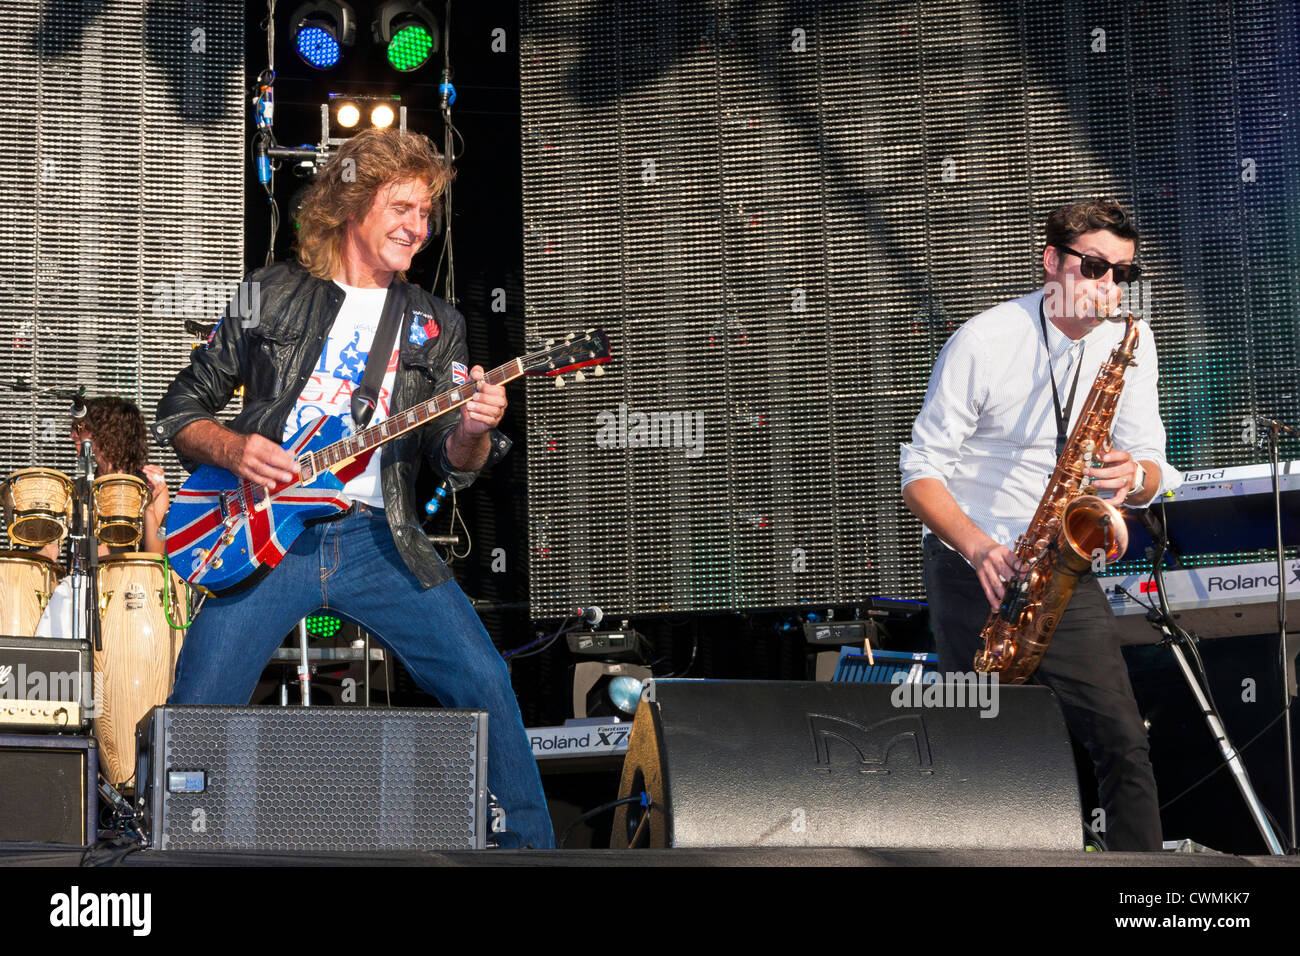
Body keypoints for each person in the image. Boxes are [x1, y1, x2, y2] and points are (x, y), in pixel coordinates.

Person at [153, 128, 554, 848]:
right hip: (265, 532)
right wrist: (237, 448)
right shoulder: (269, 294)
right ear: (352, 206)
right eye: (402, 207)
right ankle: (175, 853)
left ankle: (533, 854)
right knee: (199, 703)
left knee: (484, 682)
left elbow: (451, 459)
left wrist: (474, 427)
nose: (418, 227)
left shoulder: (437, 324)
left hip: (379, 537)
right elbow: (180, 409)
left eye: (427, 213)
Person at [899, 198, 1181, 851]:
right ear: (1052, 261)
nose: (1107, 285)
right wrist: (977, 548)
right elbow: (919, 471)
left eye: (1121, 274)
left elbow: (1157, 470)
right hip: (978, 563)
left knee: (1122, 740)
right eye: (1094, 266)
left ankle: (1140, 898)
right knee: (983, 750)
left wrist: (1130, 477)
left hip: (1060, 561)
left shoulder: (1128, 341)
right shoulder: (984, 340)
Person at [36, 396, 170, 637]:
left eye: (79, 429)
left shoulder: (148, 484)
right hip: (78, 598)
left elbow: (156, 558)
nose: (72, 436)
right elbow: (50, 552)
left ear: (108, 433)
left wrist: (149, 508)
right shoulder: (73, 489)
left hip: (132, 599)